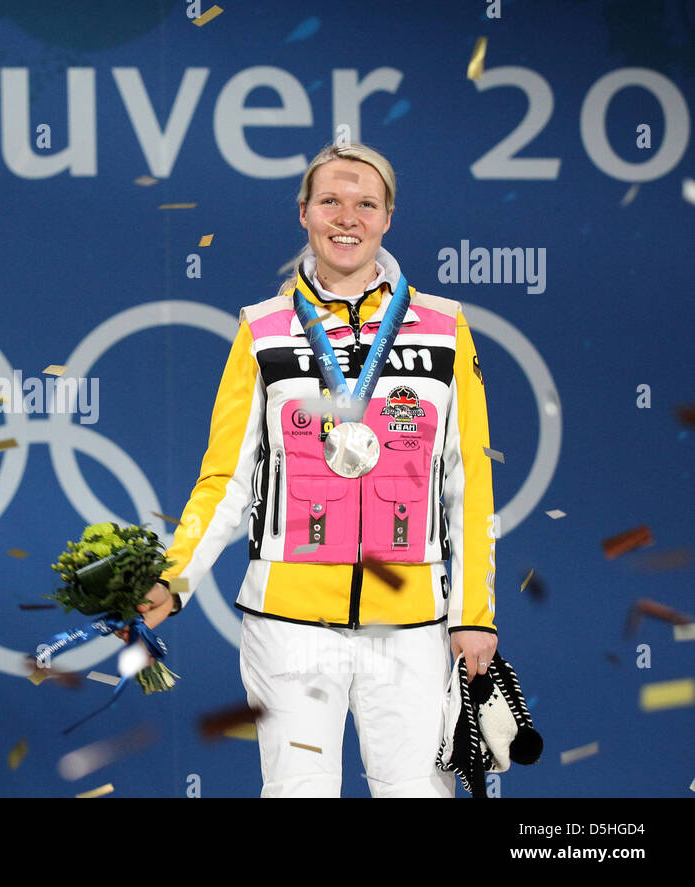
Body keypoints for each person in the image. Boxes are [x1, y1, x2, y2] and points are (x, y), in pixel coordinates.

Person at [137, 142, 498, 797]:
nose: (347, 217)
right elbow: (227, 480)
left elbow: (466, 481)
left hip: (411, 622)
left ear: (388, 217)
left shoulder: (445, 328)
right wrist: (173, 577)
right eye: (330, 200)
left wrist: (473, 613)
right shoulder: (264, 328)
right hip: (288, 624)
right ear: (303, 212)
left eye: (366, 203)